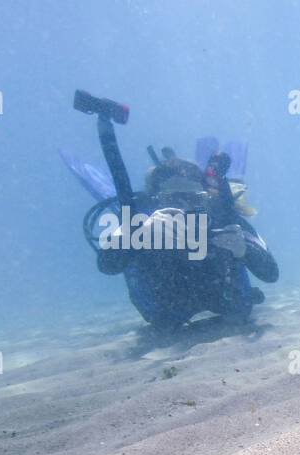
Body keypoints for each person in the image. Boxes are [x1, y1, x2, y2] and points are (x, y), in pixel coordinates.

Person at [67, 91, 279, 331]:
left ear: (205, 198)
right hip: (165, 312)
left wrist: (245, 250)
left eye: (193, 198)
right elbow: (108, 266)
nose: (183, 207)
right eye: (173, 199)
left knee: (238, 303)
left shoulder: (220, 217)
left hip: (226, 302)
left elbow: (271, 273)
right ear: (155, 200)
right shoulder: (143, 223)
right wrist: (131, 236)